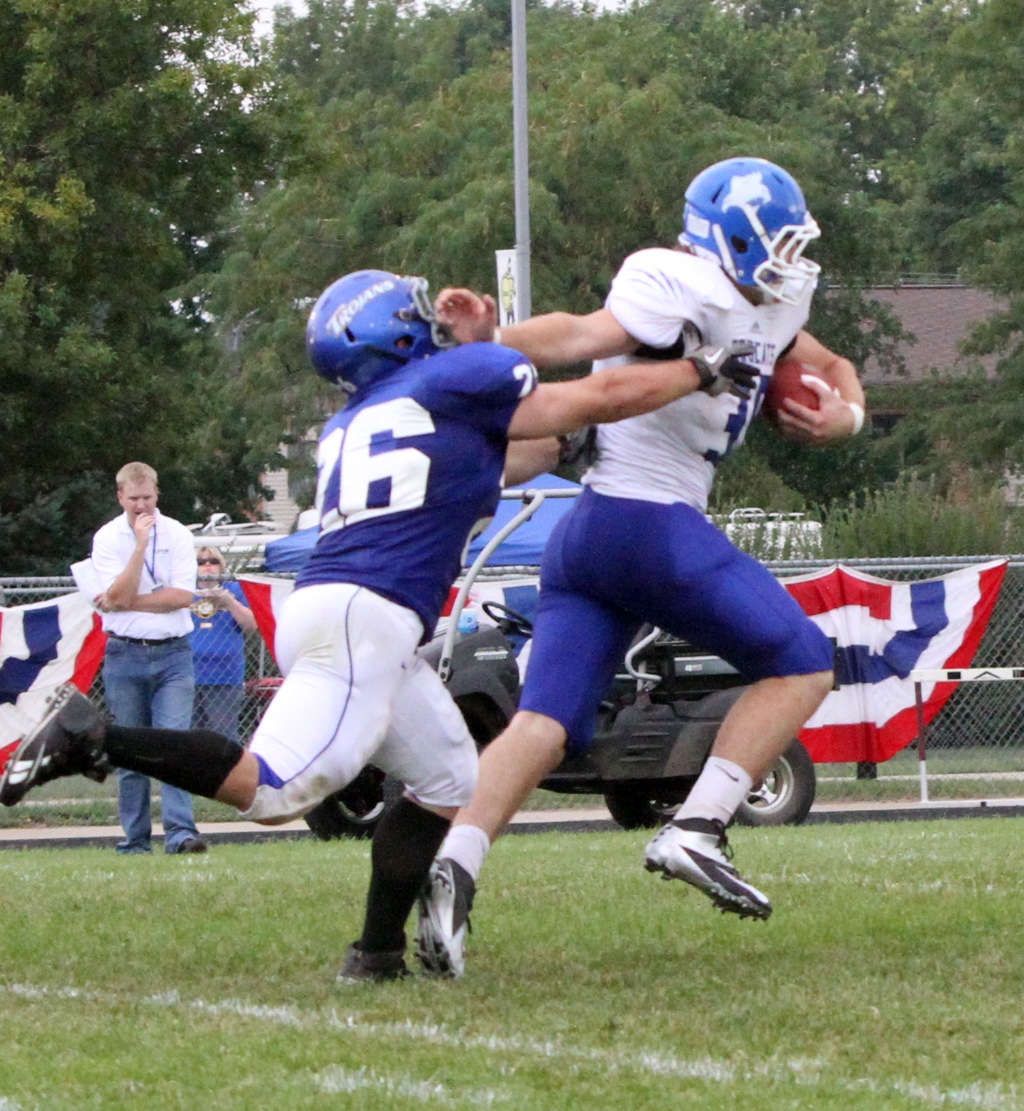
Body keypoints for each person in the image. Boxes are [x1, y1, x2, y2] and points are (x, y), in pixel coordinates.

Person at [0, 267, 758, 981]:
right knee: (271, 792)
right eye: (411, 308)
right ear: (394, 333)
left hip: (342, 610)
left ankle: (377, 952)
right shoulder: (457, 378)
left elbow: (494, 462)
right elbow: (593, 399)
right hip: (366, 619)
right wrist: (700, 370)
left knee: (447, 777)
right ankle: (92, 737)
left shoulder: (362, 420)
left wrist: (565, 448)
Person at [416, 156, 867, 977]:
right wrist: (492, 342)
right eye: (778, 246)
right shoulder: (674, 282)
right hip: (648, 521)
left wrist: (848, 417)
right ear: (725, 240)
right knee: (803, 661)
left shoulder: (775, 298)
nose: (791, 265)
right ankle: (697, 826)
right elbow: (582, 334)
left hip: (586, 536)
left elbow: (830, 367)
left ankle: (454, 864)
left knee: (544, 723)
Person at [90, 461, 207, 855]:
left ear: (158, 494)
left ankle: (180, 834)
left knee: (173, 746)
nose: (142, 506)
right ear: (120, 496)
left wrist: (126, 602)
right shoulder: (107, 538)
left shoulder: (177, 533)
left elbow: (181, 597)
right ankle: (135, 839)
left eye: (149, 498)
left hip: (173, 654)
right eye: (134, 499)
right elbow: (113, 590)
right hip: (125, 656)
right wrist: (139, 545)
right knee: (131, 752)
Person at [191, 546, 257, 744]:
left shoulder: (235, 590)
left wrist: (229, 602)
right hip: (186, 673)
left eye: (213, 561)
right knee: (190, 737)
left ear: (222, 566)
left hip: (225, 673)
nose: (208, 566)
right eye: (201, 562)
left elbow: (251, 625)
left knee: (224, 737)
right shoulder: (184, 592)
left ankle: (229, 775)